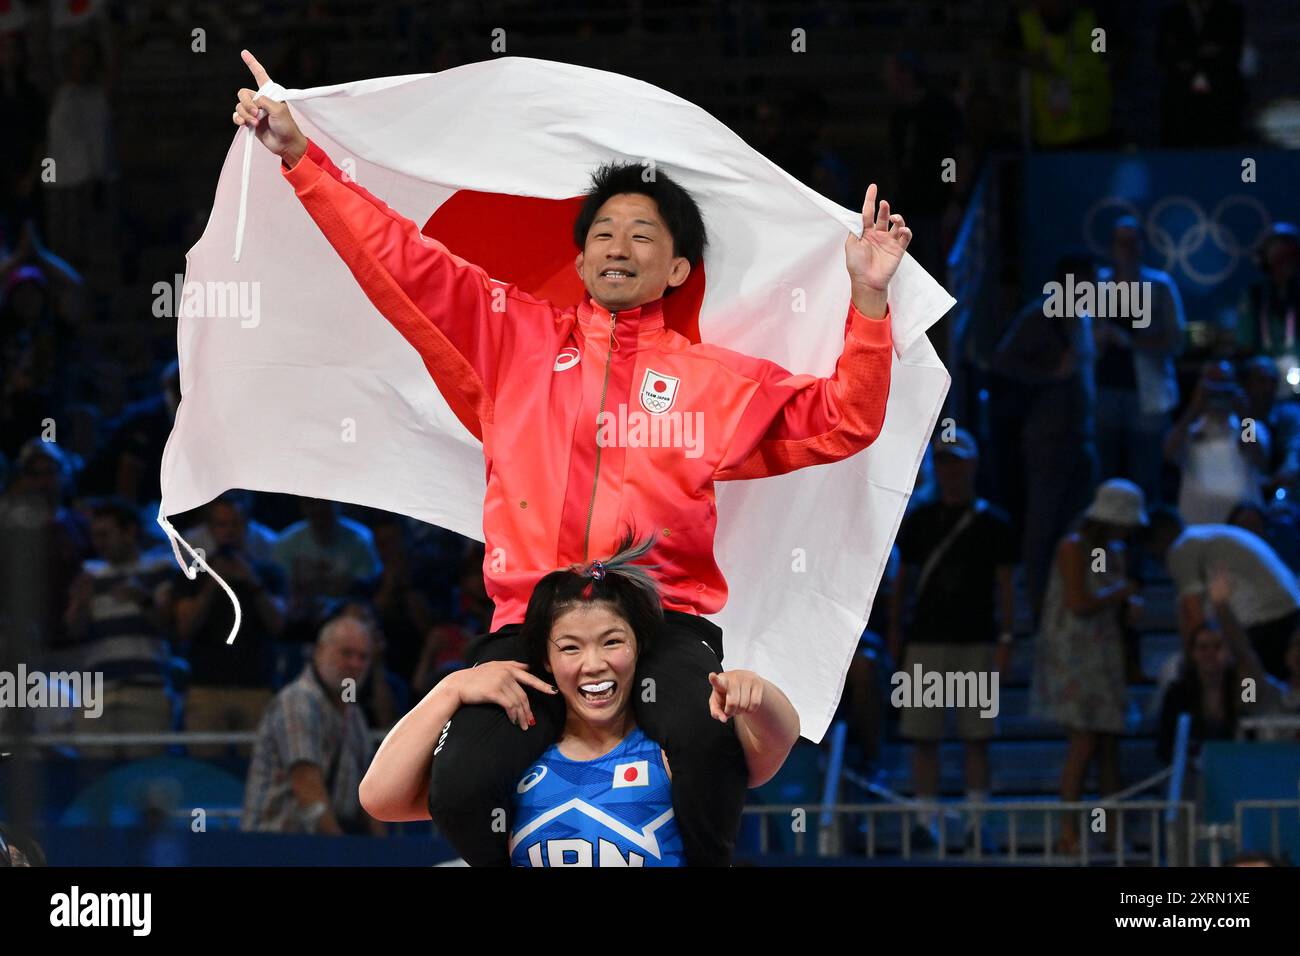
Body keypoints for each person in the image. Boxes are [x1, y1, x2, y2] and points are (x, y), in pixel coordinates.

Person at [233, 48, 909, 866]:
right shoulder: (513, 336)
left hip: (664, 625)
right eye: (602, 233)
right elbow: (400, 258)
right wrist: (304, 159)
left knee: (702, 744)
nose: (618, 245)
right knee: (461, 786)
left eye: (643, 235)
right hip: (529, 624)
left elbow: (845, 418)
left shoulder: (714, 383)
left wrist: (869, 300)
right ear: (583, 259)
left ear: (678, 269)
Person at [359, 537, 800, 867]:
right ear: (546, 662)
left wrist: (758, 695)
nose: (593, 665)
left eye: (612, 642)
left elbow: (775, 743)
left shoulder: (671, 757)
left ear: (639, 650)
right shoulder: (514, 766)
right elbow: (381, 798)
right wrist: (452, 687)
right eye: (570, 648)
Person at [889, 428, 1016, 844]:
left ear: (972, 465)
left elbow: (1005, 587)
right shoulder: (919, 522)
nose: (950, 471)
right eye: (943, 463)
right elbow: (902, 583)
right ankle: (927, 822)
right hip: (925, 639)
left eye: (957, 462)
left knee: (976, 737)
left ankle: (978, 821)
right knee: (923, 736)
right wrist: (896, 632)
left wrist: (1006, 639)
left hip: (977, 640)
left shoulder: (993, 523)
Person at [1030, 478, 1148, 853]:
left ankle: (1112, 832)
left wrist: (1127, 604)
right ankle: (1069, 833)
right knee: (1084, 741)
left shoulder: (1112, 550)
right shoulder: (1073, 546)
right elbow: (1079, 602)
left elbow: (1108, 599)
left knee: (1109, 743)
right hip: (1075, 655)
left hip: (1105, 653)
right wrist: (1121, 592)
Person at [992, 254, 1098, 616]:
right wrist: (1049, 372)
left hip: (1083, 435)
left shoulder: (1084, 320)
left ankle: (1072, 602)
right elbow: (1003, 361)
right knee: (1043, 524)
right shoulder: (1039, 317)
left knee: (1077, 524)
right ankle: (1038, 608)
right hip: (1047, 436)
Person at [241, 613, 382, 836]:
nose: (355, 664)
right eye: (346, 653)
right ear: (319, 652)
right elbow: (306, 785)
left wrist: (382, 855)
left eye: (363, 657)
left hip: (324, 845)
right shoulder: (297, 700)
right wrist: (345, 854)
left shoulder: (355, 716)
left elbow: (369, 796)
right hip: (276, 845)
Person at [173, 494, 285, 759]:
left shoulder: (268, 572)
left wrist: (252, 581)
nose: (229, 532)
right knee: (206, 777)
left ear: (246, 526)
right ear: (211, 529)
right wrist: (213, 582)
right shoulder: (192, 574)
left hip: (256, 689)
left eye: (235, 524)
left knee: (262, 769)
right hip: (206, 689)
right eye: (221, 525)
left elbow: (279, 624)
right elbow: (184, 628)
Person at [1144, 507, 1300, 681]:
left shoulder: (1182, 547)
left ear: (1158, 540)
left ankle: (1249, 704)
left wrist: (1190, 666)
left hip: (1264, 623)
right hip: (1287, 615)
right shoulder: (1209, 537)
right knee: (1264, 684)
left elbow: (1194, 616)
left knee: (1250, 683)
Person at [1093, 216, 1186, 504]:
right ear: (1111, 247)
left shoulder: (1160, 286)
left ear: (1143, 246)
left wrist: (1131, 342)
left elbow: (1176, 341)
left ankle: (1145, 540)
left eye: (1133, 242)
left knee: (1145, 476)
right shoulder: (1098, 284)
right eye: (1122, 242)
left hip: (1148, 396)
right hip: (1104, 391)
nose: (1128, 249)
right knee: (1104, 473)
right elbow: (1085, 336)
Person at [1157, 564, 1287, 762]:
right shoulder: (1178, 692)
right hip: (1192, 776)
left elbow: (1245, 657)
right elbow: (1165, 747)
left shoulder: (1245, 688)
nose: (1210, 654)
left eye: (1217, 647)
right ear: (1192, 654)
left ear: (1228, 652)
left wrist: (1221, 607)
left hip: (1238, 772)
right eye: (1203, 647)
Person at [1164, 361, 1266, 525]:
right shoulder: (1190, 430)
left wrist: (1244, 416)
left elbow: (1259, 460)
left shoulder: (1250, 428)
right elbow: (1168, 452)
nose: (1218, 393)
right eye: (1212, 386)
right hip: (1198, 523)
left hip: (1242, 527)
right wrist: (1193, 409)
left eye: (1223, 385)